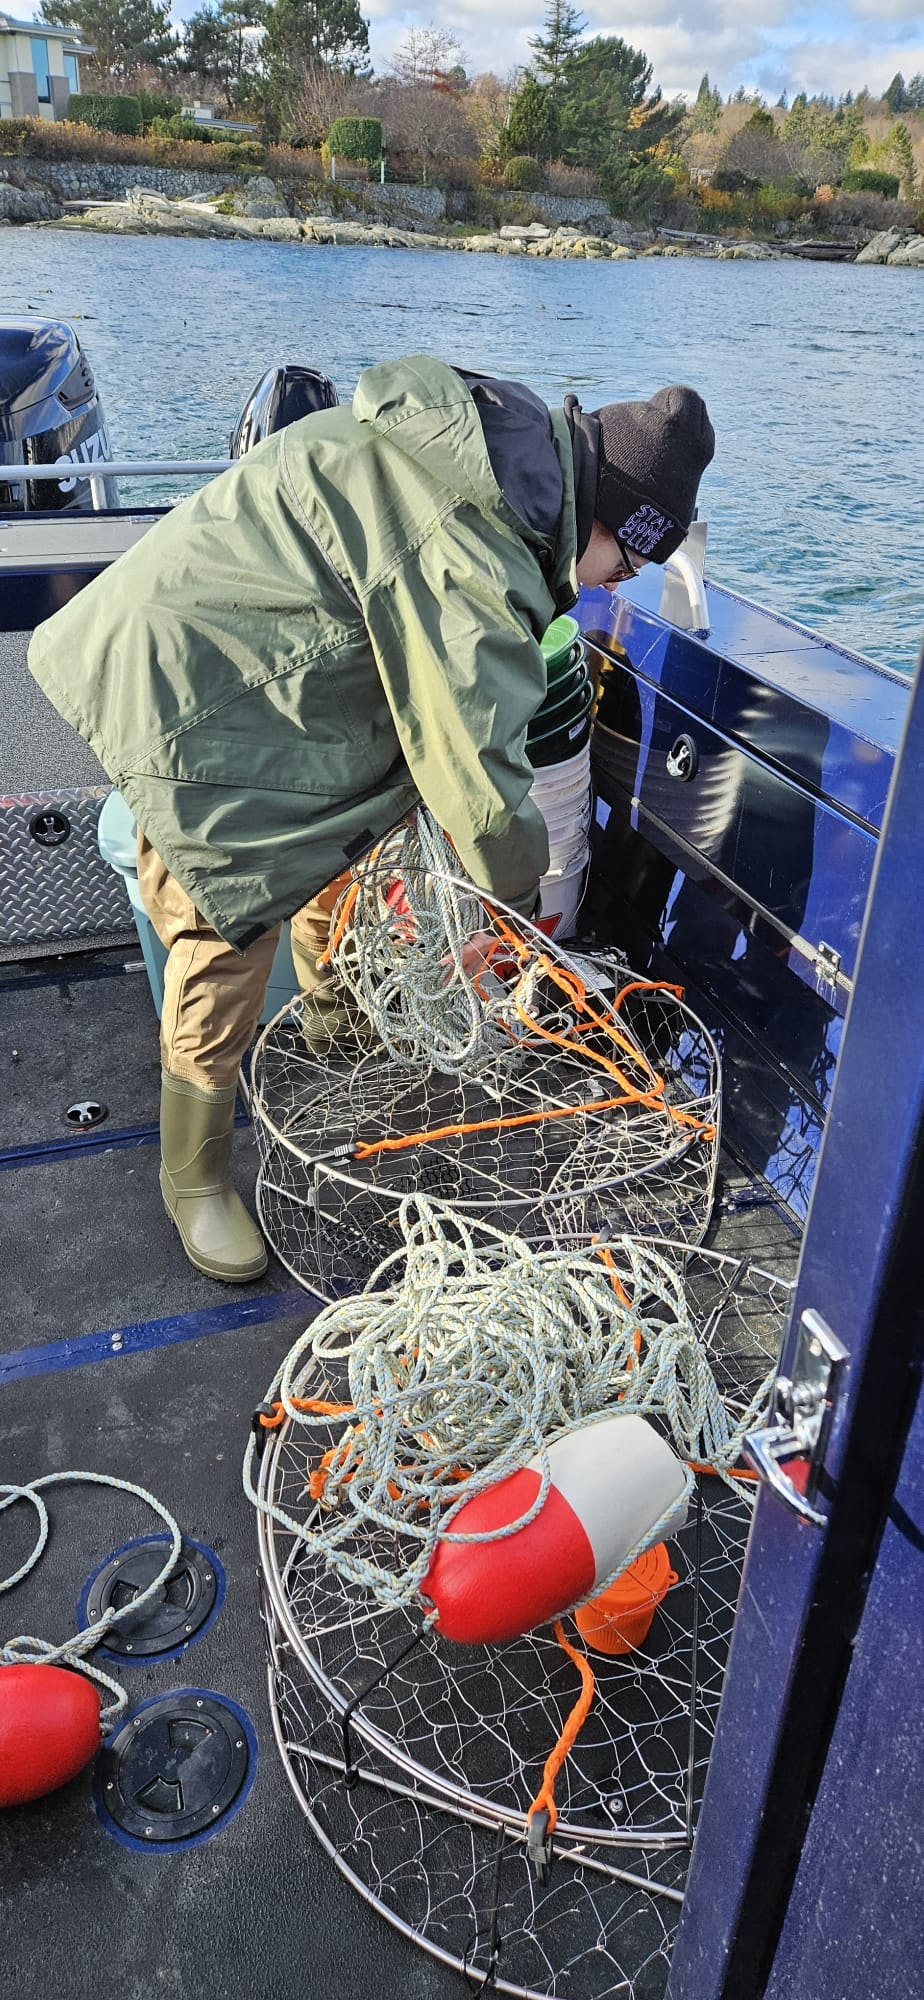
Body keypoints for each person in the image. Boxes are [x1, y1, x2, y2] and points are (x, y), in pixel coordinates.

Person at [28, 353, 714, 1284]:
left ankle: (333, 1026)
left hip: (269, 668)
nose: (617, 587)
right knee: (226, 921)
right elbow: (474, 768)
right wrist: (506, 910)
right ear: (607, 518)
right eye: (627, 563)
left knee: (336, 845)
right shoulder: (477, 535)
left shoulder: (499, 459)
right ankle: (192, 1178)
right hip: (195, 691)